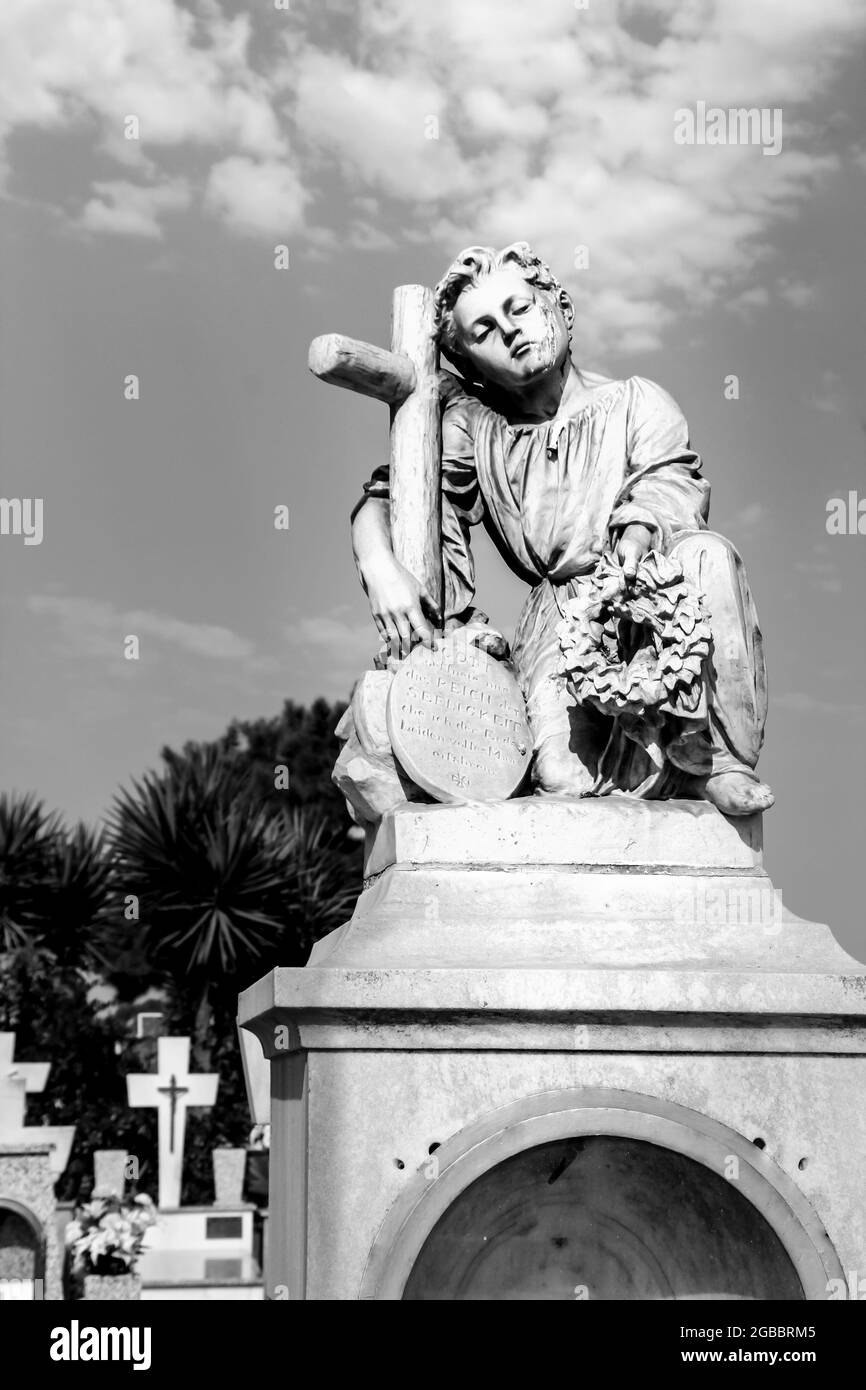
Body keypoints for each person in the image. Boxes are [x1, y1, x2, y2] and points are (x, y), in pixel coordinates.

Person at [351, 242, 772, 817]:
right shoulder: (479, 430)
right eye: (484, 330)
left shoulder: (636, 401)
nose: (510, 331)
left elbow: (672, 481)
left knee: (707, 554)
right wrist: (381, 568)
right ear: (470, 362)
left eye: (519, 308)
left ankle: (714, 761)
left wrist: (640, 529)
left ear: (559, 307)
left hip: (653, 592)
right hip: (564, 623)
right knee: (562, 778)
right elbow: (400, 497)